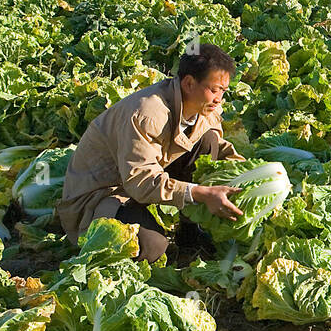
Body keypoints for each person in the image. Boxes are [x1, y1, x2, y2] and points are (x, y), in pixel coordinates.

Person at [57, 43, 245, 262]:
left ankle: (190, 233)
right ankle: (101, 245)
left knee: (208, 140)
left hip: (141, 179)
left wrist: (248, 176)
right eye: (214, 90)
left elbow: (217, 148)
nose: (219, 99)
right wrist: (200, 193)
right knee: (153, 247)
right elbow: (141, 180)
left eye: (223, 90)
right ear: (189, 83)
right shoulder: (146, 114)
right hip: (101, 195)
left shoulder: (202, 106)